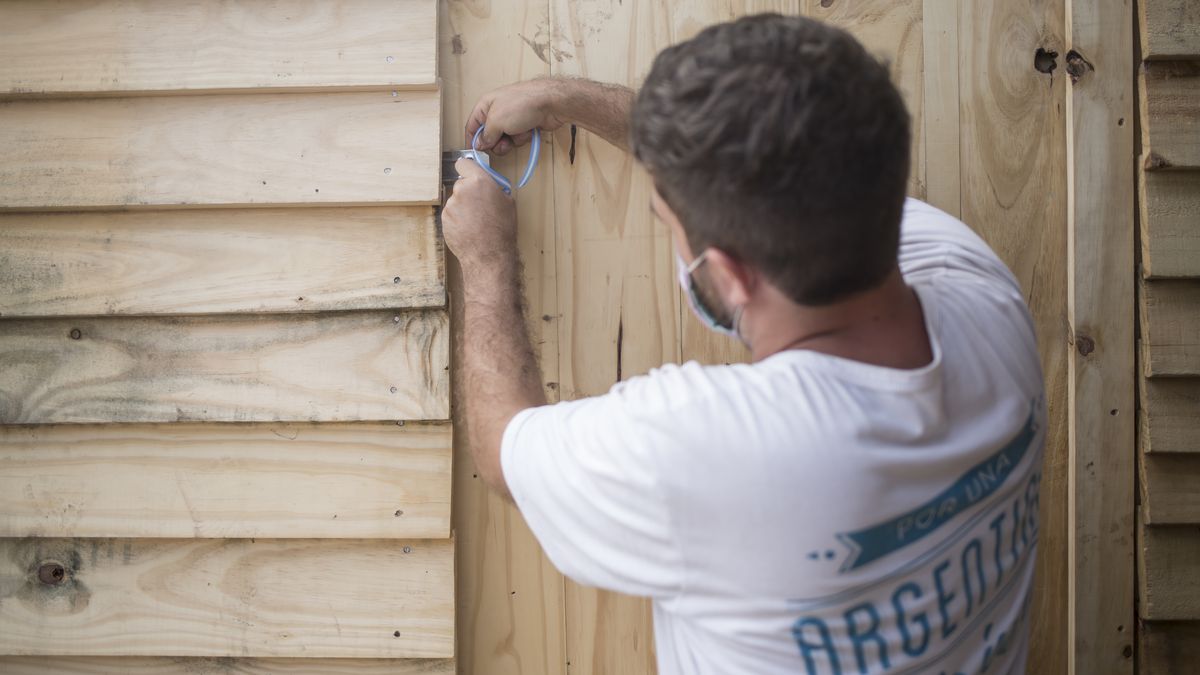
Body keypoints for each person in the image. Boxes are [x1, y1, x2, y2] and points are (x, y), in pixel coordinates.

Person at [440, 13, 1045, 675]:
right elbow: (785, 162)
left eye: (668, 224)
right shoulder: (986, 296)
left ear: (727, 274)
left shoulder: (705, 447)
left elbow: (505, 449)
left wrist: (487, 257)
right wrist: (568, 101)